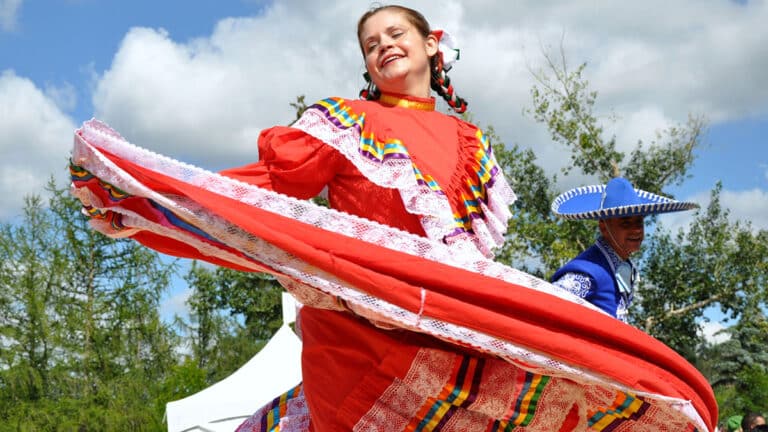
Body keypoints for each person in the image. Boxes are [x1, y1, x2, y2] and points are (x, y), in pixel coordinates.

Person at [69, 4, 718, 432]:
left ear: (432, 45)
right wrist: (159, 204)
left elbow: (474, 258)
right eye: (371, 43)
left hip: (453, 328)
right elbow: (271, 186)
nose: (383, 47)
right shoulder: (348, 122)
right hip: (360, 327)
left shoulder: (472, 141)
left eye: (395, 34)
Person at [550, 176, 698, 323]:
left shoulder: (621, 266)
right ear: (603, 226)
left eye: (639, 222)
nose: (636, 231)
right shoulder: (586, 274)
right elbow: (549, 307)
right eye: (626, 224)